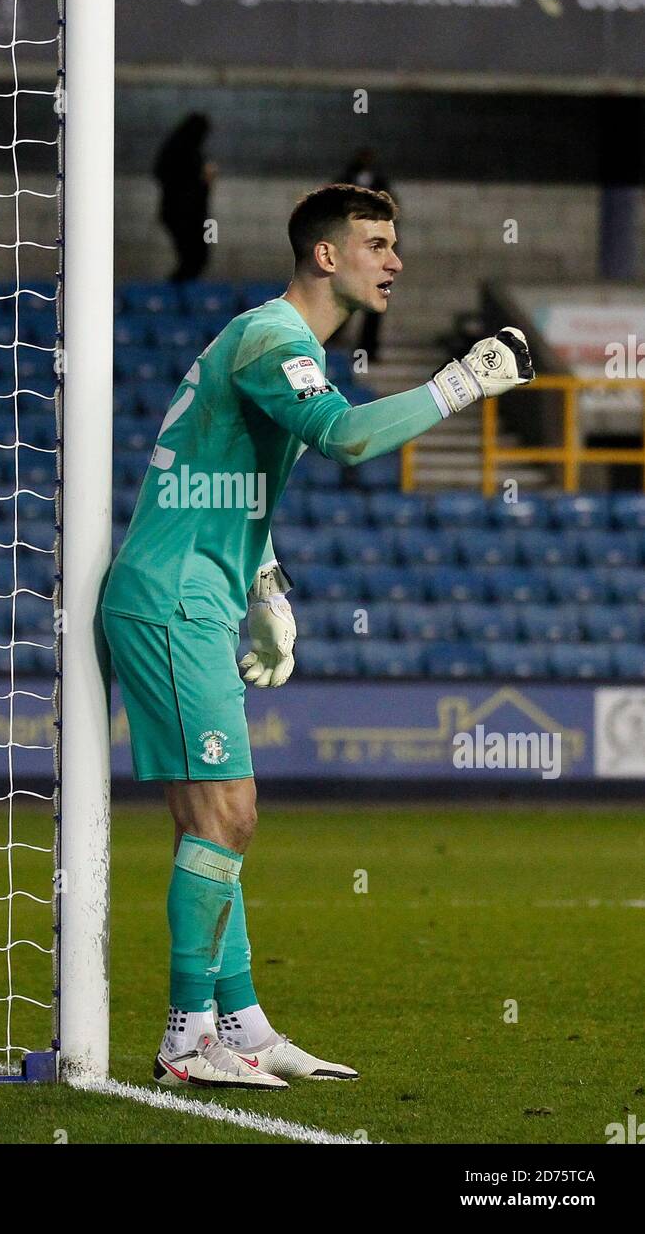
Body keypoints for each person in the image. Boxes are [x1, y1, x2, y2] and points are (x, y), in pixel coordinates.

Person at [102, 184, 534, 1091]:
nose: (396, 259)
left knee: (208, 827)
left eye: (395, 243)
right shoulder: (275, 340)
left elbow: (225, 477)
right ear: (325, 256)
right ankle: (187, 1041)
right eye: (377, 243)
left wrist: (264, 586)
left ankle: (243, 1027)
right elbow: (344, 440)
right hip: (173, 603)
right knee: (230, 816)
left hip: (191, 596)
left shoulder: (273, 345)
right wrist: (459, 381)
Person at [338, 150, 397, 363]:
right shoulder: (343, 183)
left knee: (374, 304)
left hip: (373, 261)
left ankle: (368, 348)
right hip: (349, 256)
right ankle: (334, 341)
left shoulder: (382, 186)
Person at [153, 112, 216, 282]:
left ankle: (180, 292)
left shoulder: (179, 148)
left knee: (195, 256)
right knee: (193, 257)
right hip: (185, 215)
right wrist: (202, 180)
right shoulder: (185, 152)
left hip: (189, 215)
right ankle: (178, 294)